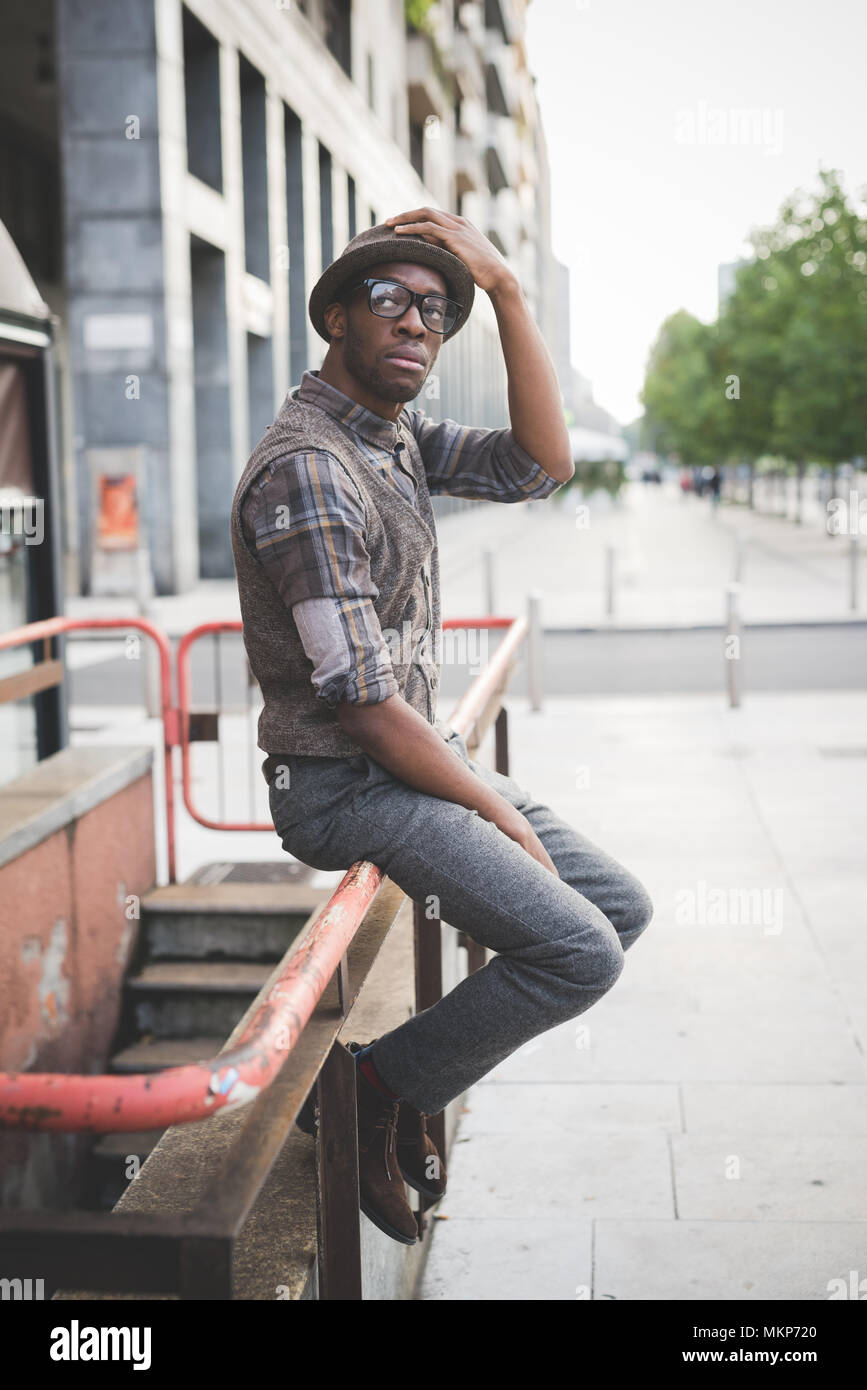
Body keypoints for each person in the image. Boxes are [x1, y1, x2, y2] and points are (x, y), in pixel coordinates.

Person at [230, 209, 654, 1246]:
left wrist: (507, 291)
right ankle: (372, 1089)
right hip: (341, 783)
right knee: (578, 953)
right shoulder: (310, 468)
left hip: (411, 761)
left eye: (435, 310)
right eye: (390, 302)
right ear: (334, 315)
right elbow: (364, 705)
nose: (417, 324)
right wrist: (488, 808)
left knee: (616, 905)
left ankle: (404, 1084)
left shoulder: (395, 437)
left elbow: (537, 465)